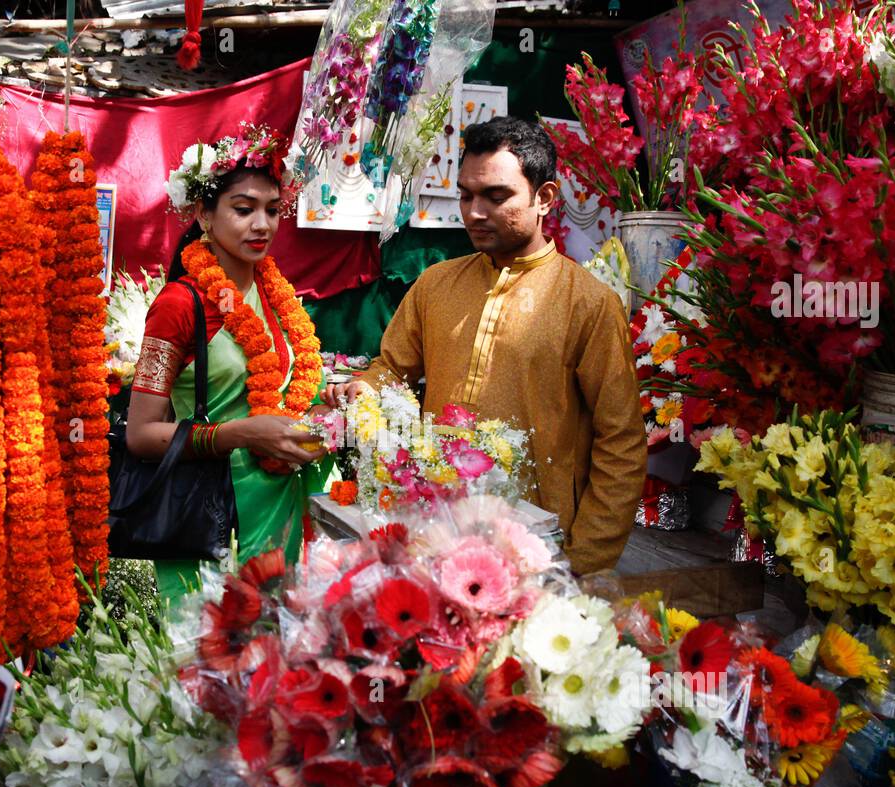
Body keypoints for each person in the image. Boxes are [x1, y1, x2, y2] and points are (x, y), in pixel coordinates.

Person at [326, 116, 645, 574]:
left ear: (545, 198)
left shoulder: (589, 304)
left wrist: (582, 562)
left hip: (537, 548)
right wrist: (367, 388)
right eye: (466, 195)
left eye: (497, 197)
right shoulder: (437, 284)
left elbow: (621, 443)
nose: (474, 212)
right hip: (435, 531)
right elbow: (390, 370)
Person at [127, 124, 330, 600]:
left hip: (281, 503)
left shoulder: (277, 295)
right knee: (213, 656)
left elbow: (291, 389)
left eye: (272, 210)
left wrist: (330, 405)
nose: (262, 225)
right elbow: (140, 435)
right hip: (209, 512)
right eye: (243, 210)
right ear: (203, 214)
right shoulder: (178, 305)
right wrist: (241, 433)